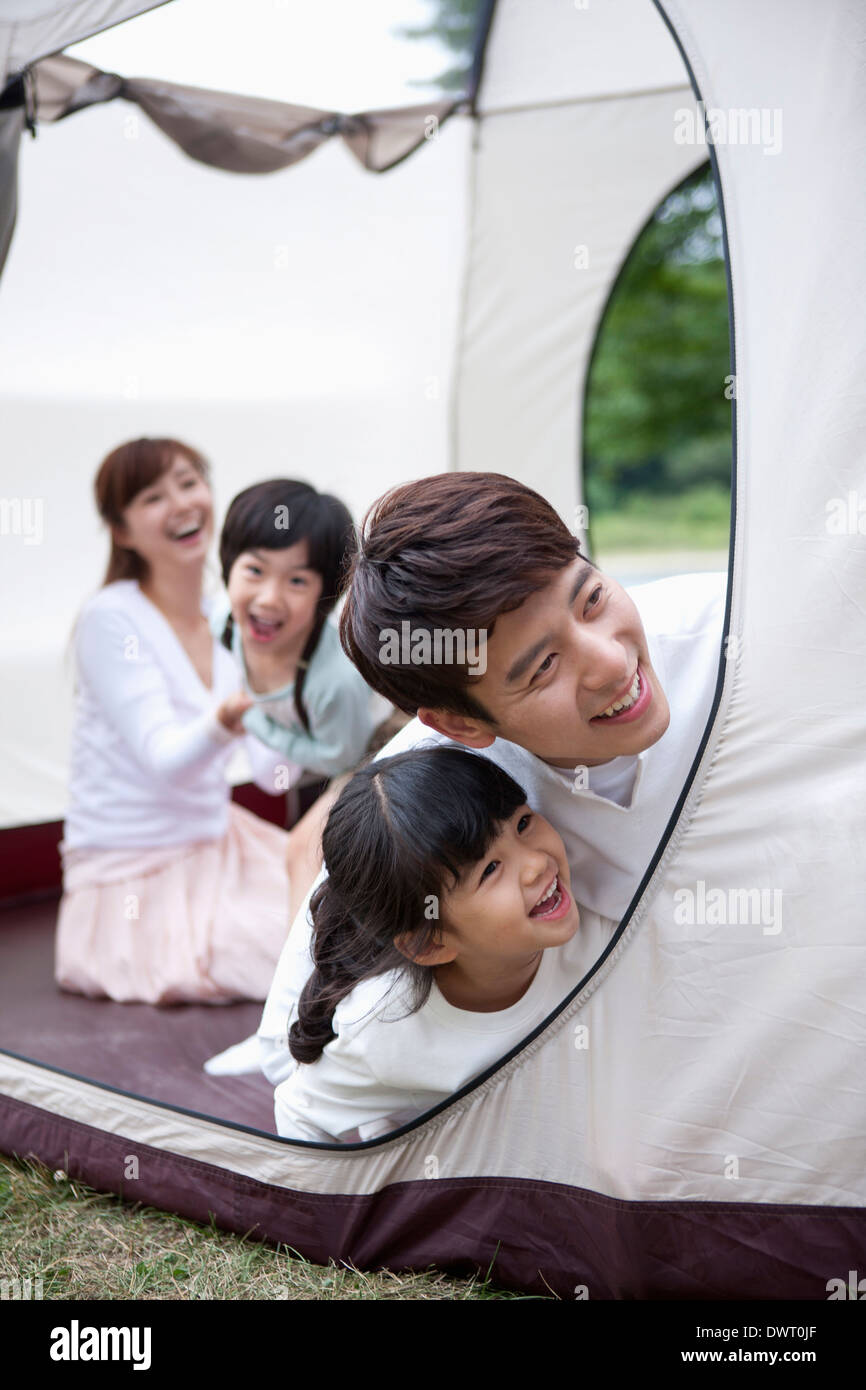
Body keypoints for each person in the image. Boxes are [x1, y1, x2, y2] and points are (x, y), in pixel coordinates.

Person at [259, 471, 726, 1098]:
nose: (612, 662)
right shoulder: (443, 788)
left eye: (589, 599)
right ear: (460, 722)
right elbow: (289, 1046)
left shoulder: (733, 633)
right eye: (543, 667)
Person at [55, 438, 293, 1005]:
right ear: (122, 530)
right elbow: (167, 762)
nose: (181, 503)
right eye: (153, 497)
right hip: (136, 875)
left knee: (356, 913)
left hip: (221, 846)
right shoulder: (111, 619)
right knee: (296, 955)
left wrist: (312, 713)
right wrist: (231, 716)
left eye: (189, 483)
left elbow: (270, 774)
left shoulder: (227, 612)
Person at [275, 745, 581, 1142]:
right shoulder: (382, 1027)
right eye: (490, 870)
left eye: (522, 824)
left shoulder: (594, 915)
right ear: (430, 946)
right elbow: (300, 1113)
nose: (536, 863)